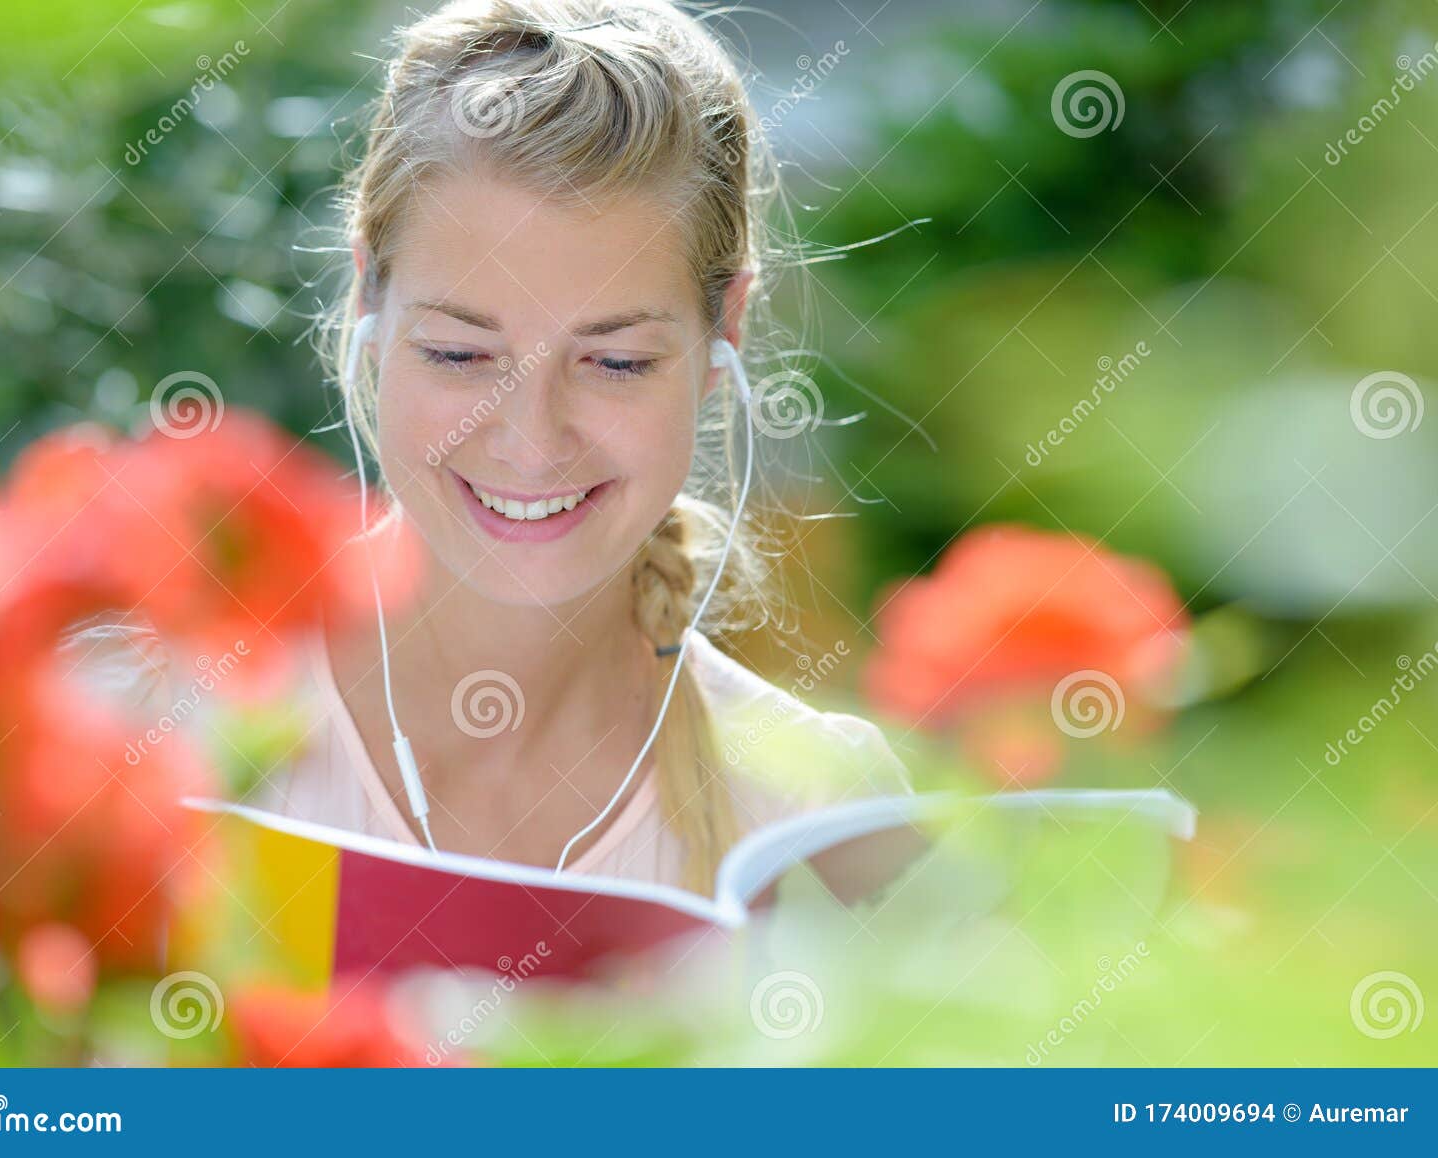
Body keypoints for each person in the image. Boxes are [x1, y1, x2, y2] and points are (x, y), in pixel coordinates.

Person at [72, 0, 911, 898]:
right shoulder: (140, 728)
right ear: (370, 303)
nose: (531, 437)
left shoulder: (824, 816)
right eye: (462, 355)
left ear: (724, 335)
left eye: (616, 362)